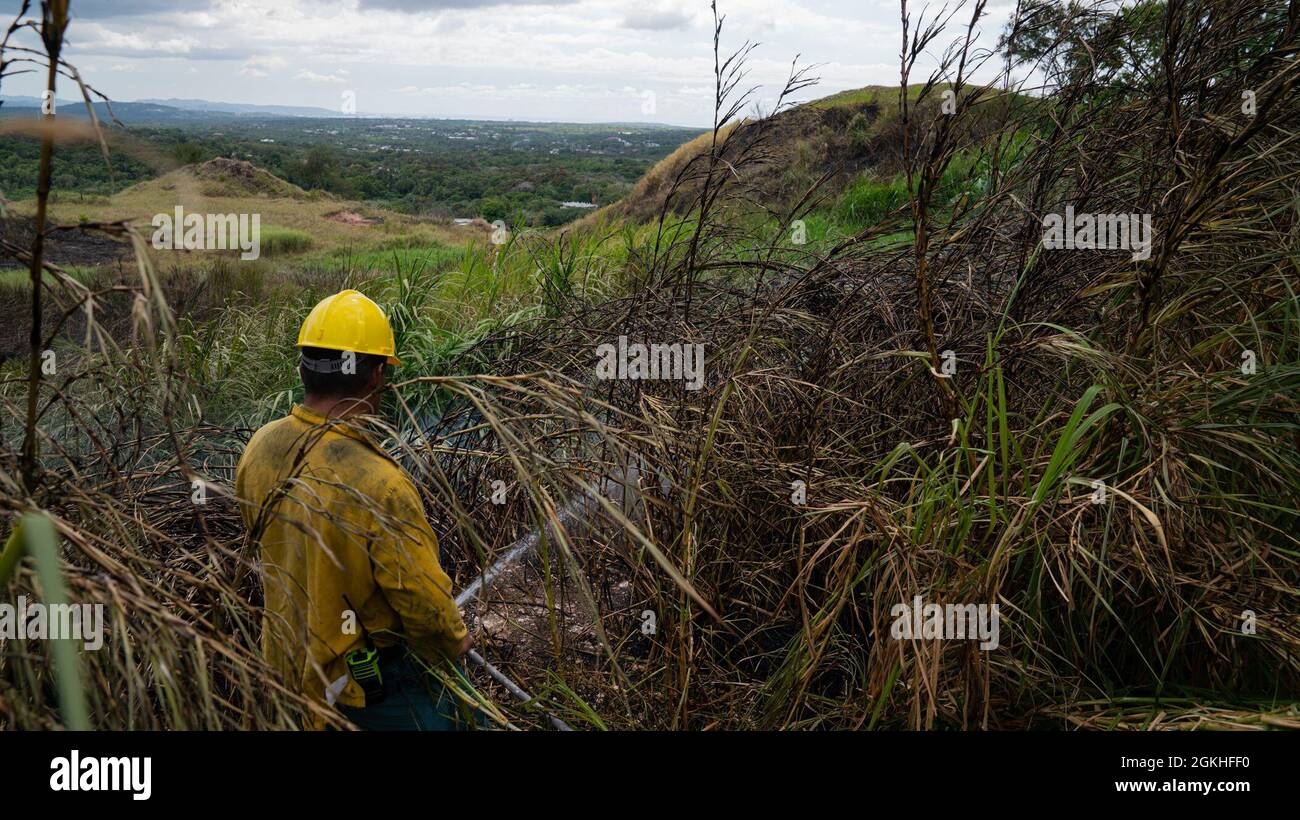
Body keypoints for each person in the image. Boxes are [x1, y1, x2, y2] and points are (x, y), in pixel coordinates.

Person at [236, 289, 475, 730]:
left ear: (303, 366)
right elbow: (425, 607)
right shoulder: (380, 483)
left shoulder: (260, 447)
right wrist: (453, 643)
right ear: (377, 375)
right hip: (363, 690)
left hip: (287, 666)